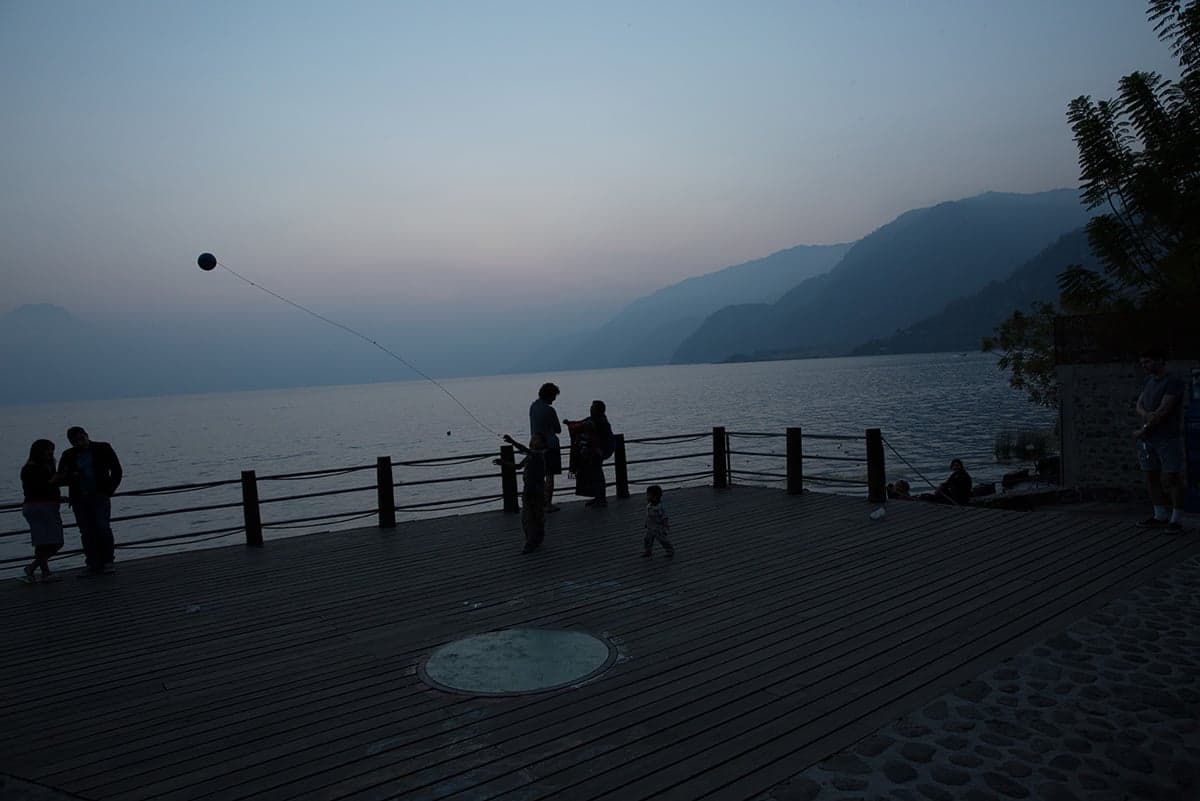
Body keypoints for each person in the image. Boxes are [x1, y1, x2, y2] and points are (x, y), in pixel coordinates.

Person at [1134, 347, 1187, 533]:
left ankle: (1176, 519)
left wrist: (1144, 428)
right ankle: (1160, 514)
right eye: (1142, 363)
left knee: (1172, 476)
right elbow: (1139, 404)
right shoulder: (1148, 381)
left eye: (1147, 362)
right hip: (1148, 440)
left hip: (1167, 438)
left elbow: (1164, 410)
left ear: (1160, 360)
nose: (1144, 366)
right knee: (1151, 476)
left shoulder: (1173, 382)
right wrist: (1146, 415)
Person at [57, 426, 123, 576]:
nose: (79, 443)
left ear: (87, 435)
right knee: (87, 532)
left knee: (102, 528)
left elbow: (117, 470)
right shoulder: (68, 455)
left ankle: (107, 562)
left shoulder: (103, 448)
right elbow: (60, 477)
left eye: (81, 439)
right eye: (75, 441)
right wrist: (72, 476)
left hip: (99, 496)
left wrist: (108, 490)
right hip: (79, 498)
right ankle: (93, 563)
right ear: (71, 442)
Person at [20, 439, 66, 583]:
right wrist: (54, 481)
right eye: (48, 450)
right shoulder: (30, 469)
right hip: (40, 506)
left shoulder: (45, 466)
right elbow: (38, 487)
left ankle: (38, 570)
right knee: (53, 542)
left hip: (44, 505)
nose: (51, 453)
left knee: (44, 542)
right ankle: (38, 569)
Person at [499, 433, 547, 554]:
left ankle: (535, 540)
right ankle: (531, 540)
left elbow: (525, 450)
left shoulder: (538, 455)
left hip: (537, 491)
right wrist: (503, 463)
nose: (533, 441)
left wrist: (512, 442)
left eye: (536, 439)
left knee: (536, 516)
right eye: (533, 439)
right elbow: (518, 467)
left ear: (542, 444)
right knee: (527, 517)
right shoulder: (530, 456)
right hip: (528, 490)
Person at [567, 400, 615, 508]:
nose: (590, 409)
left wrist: (569, 424)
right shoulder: (600, 419)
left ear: (597, 410)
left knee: (597, 475)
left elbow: (579, 426)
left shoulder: (595, 421)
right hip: (599, 451)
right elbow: (581, 423)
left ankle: (601, 499)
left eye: (592, 407)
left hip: (597, 452)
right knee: (595, 474)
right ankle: (598, 497)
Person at [529, 382, 563, 512]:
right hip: (550, 446)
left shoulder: (533, 407)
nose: (554, 399)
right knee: (550, 476)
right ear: (549, 395)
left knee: (538, 475)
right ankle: (547, 504)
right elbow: (558, 429)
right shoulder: (549, 410)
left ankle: (538, 502)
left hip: (535, 445)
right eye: (554, 396)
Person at [643, 484, 675, 558]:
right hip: (650, 527)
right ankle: (648, 550)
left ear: (655, 497)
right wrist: (646, 523)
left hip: (658, 527)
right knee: (647, 539)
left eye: (648, 495)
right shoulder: (649, 506)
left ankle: (670, 550)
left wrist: (666, 525)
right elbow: (648, 516)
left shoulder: (659, 507)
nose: (647, 497)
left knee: (663, 540)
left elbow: (664, 517)